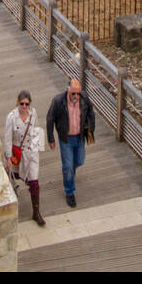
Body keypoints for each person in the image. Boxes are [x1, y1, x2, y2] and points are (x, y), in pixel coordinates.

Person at [46, 76, 95, 208]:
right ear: (68, 90)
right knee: (67, 166)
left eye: (77, 93)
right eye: (73, 93)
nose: (75, 96)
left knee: (79, 161)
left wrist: (91, 129)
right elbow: (50, 119)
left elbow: (91, 113)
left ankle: (70, 174)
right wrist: (51, 138)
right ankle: (69, 192)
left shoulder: (84, 99)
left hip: (79, 137)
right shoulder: (58, 101)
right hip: (66, 138)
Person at [3, 89, 45, 227]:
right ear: (17, 103)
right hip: (17, 155)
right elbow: (7, 138)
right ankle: (9, 208)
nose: (24, 107)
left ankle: (36, 212)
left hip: (30, 153)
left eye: (27, 104)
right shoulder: (11, 117)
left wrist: (37, 148)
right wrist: (8, 157)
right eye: (22, 104)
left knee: (34, 182)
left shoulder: (33, 114)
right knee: (13, 177)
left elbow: (37, 129)